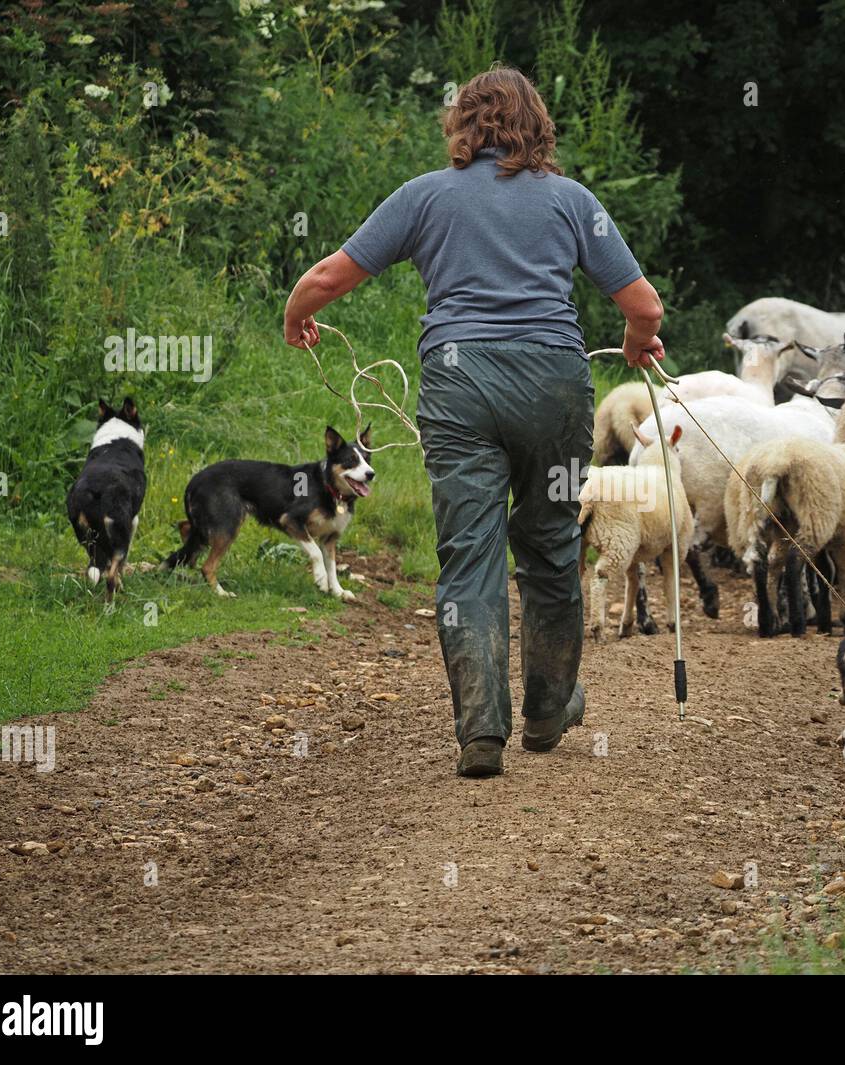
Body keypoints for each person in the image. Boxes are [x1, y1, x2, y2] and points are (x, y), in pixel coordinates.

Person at [283, 65, 664, 778]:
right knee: (552, 539)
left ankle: (480, 728)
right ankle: (549, 708)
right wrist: (640, 343)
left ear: (462, 126)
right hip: (554, 384)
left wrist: (296, 314)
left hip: (461, 387)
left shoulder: (426, 195)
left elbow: (329, 277)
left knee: (469, 550)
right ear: (537, 126)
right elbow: (643, 306)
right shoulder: (573, 202)